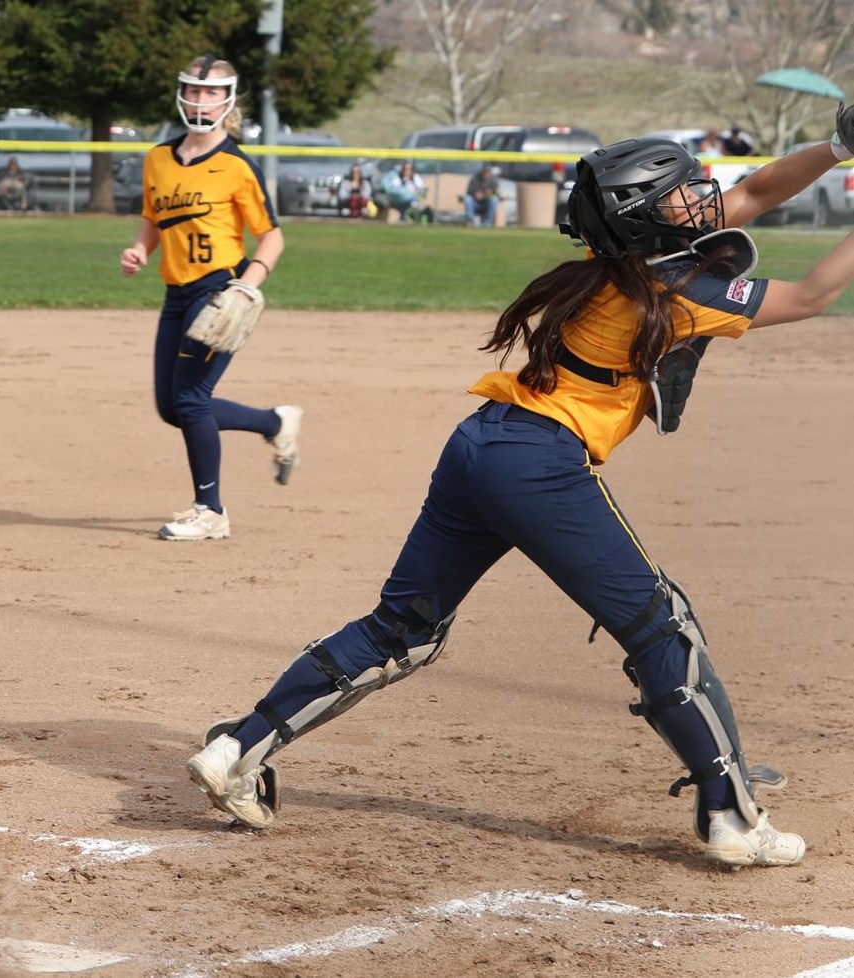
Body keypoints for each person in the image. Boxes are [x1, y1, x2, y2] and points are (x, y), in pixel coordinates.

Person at [186, 122, 854, 867]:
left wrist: (837, 146)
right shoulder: (678, 290)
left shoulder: (616, 262)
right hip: (541, 468)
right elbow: (813, 295)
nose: (702, 197)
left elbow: (756, 189)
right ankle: (731, 815)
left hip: (479, 445)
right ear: (647, 219)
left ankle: (235, 749)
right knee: (661, 627)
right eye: (682, 193)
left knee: (401, 629)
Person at [119, 54, 300, 541]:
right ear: (182, 95)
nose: (201, 100)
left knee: (191, 399)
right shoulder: (158, 158)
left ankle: (211, 510)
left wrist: (248, 284)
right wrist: (140, 249)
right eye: (194, 91)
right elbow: (152, 217)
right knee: (171, 407)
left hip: (220, 289)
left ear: (228, 100)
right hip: (175, 293)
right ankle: (274, 422)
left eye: (212, 92)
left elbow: (272, 236)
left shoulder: (236, 166)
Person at [463, 162, 501, 227]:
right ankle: (470, 221)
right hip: (475, 203)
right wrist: (475, 194)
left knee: (494, 199)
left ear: (490, 172)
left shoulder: (494, 179)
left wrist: (492, 193)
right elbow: (469, 191)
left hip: (487, 203)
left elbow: (498, 193)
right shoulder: (475, 177)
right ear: (481, 171)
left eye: (488, 171)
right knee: (467, 198)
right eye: (484, 171)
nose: (486, 173)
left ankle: (487, 223)